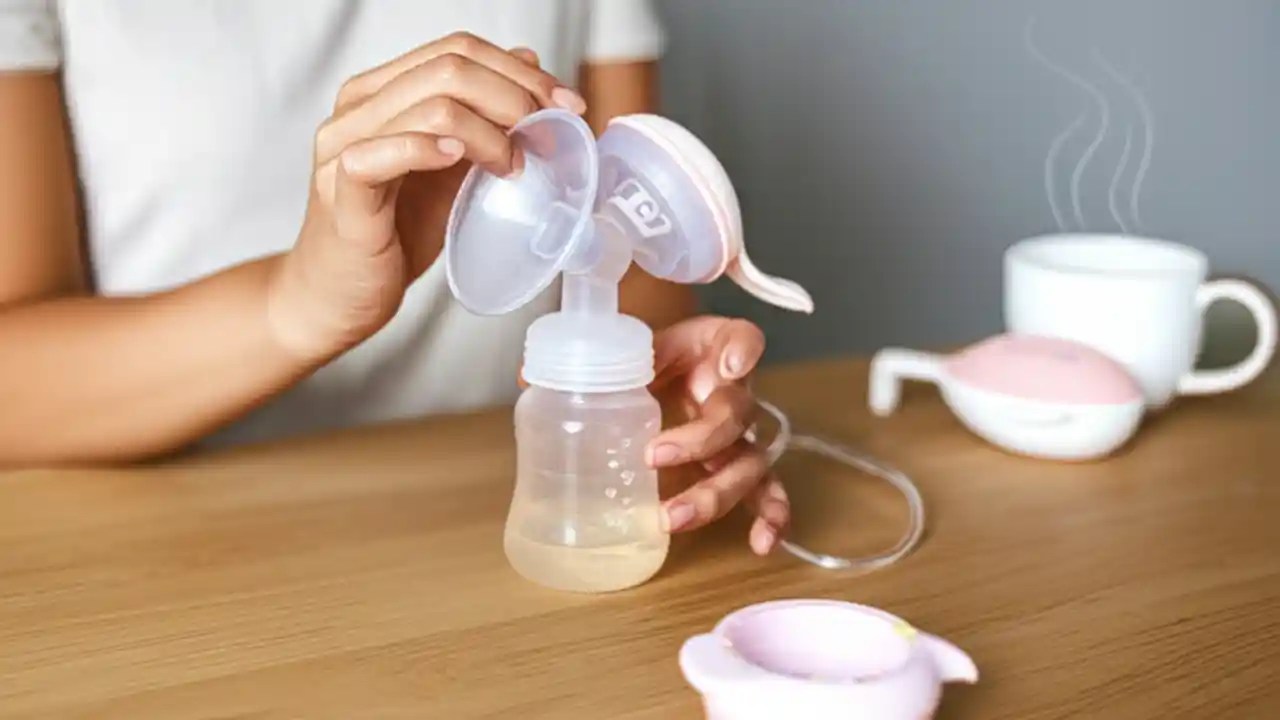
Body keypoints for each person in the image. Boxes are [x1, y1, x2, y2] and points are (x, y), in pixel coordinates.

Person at [0, 1, 789, 555]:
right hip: (162, 544)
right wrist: (298, 305)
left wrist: (666, 406)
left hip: (474, 524)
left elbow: (624, 249)